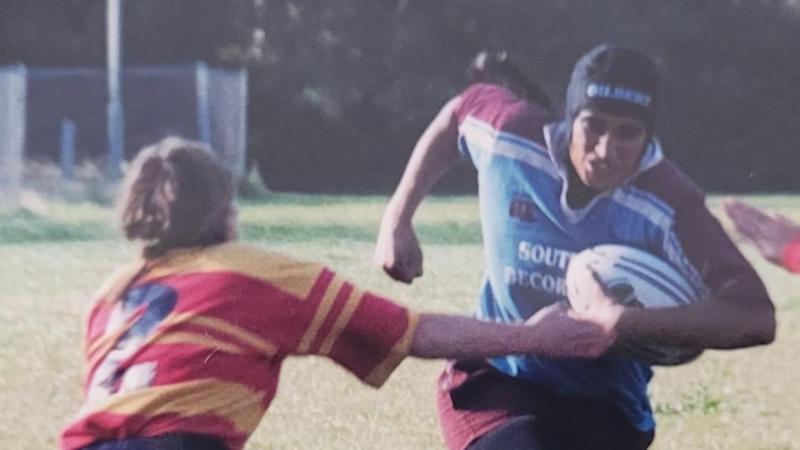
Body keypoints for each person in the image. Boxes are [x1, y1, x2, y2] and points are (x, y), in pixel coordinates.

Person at [59, 137, 618, 450]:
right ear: (226, 207)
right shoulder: (255, 275)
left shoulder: (111, 294)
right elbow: (417, 333)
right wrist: (540, 337)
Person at [374, 44, 776, 450]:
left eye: (627, 133)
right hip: (496, 381)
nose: (604, 150)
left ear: (649, 134)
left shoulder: (670, 205)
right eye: (593, 126)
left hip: (604, 405)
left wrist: (623, 322)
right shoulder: (511, 138)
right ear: (570, 118)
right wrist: (397, 219)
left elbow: (754, 317)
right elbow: (459, 112)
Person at [724, 199, 800, 273]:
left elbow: (786, 266)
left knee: (758, 228)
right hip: (782, 246)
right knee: (758, 229)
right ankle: (734, 208)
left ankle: (733, 208)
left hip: (782, 248)